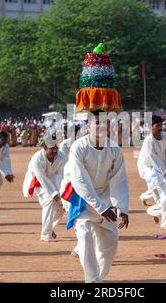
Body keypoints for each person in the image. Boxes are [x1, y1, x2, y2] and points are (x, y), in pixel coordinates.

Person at [61, 111, 129, 283]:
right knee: (85, 240)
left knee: (110, 243)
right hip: (79, 198)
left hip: (104, 198)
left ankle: (97, 278)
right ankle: (93, 281)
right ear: (88, 126)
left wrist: (122, 208)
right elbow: (79, 181)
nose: (101, 126)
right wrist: (101, 207)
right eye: (97, 123)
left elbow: (119, 179)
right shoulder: (79, 147)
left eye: (105, 123)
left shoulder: (114, 148)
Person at [22, 135, 66, 242]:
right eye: (52, 148)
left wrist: (62, 196)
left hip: (53, 181)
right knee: (49, 200)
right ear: (44, 147)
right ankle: (45, 234)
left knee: (62, 208)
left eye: (56, 148)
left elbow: (60, 177)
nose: (55, 150)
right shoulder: (36, 158)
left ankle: (50, 229)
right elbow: (42, 179)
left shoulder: (62, 157)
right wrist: (55, 195)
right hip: (37, 181)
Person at [137, 115, 166, 229]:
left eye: (161, 125)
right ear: (151, 127)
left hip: (162, 167)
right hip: (148, 168)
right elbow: (155, 161)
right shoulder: (148, 141)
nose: (160, 128)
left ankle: (153, 211)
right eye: (157, 126)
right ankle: (164, 222)